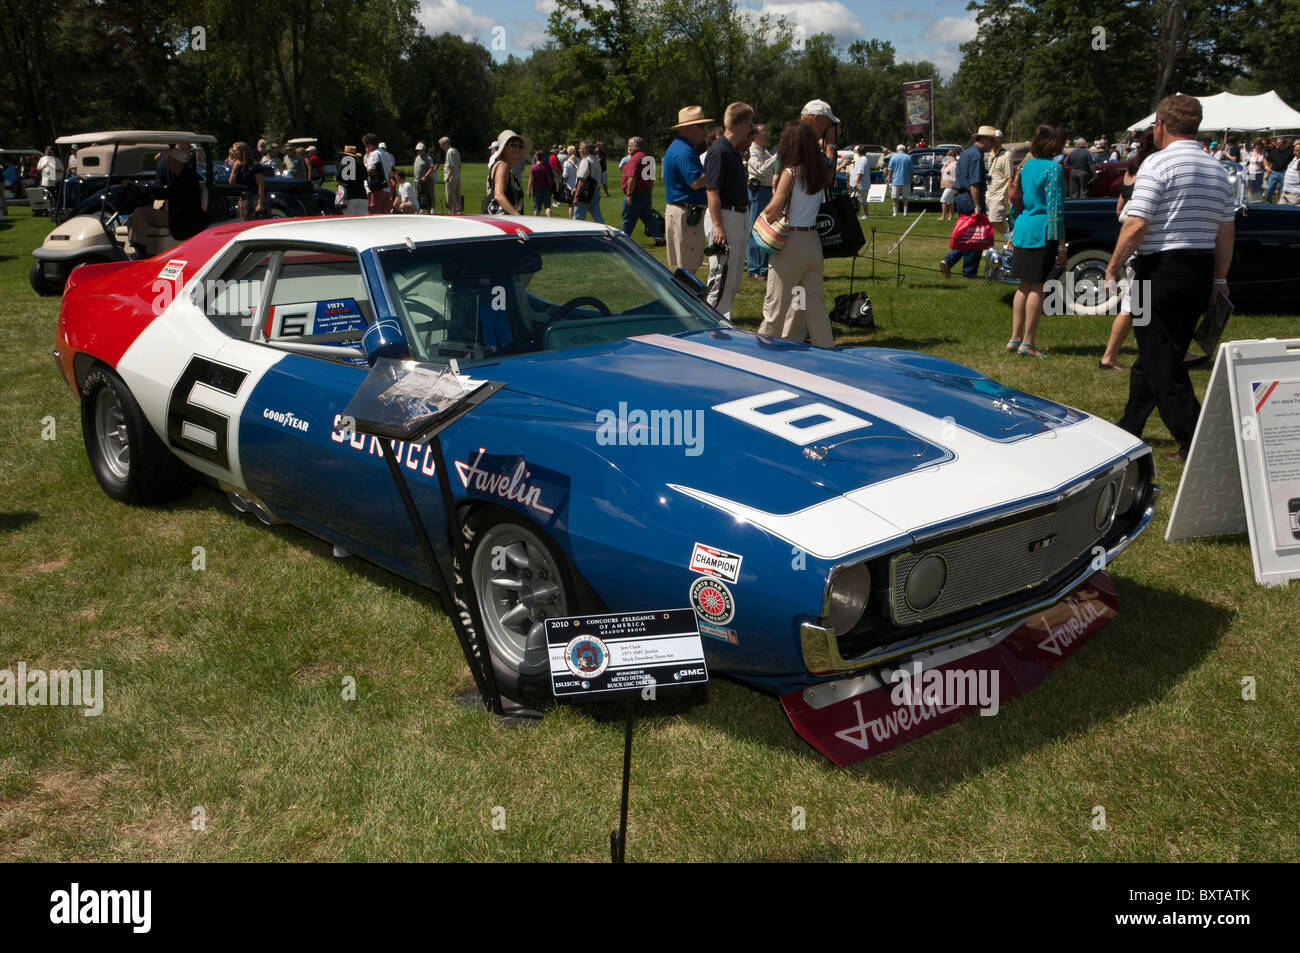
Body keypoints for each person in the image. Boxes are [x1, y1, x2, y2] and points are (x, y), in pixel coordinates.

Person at [1107, 94, 1235, 464]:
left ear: (1160, 126)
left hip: (1157, 272)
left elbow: (1137, 222)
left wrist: (1113, 267)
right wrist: (1219, 278)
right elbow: (1225, 233)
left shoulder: (1157, 164)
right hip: (1198, 272)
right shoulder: (1218, 170)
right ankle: (1129, 426)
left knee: (1164, 364)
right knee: (1158, 354)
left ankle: (1196, 440)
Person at [756, 120, 834, 347]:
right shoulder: (820, 174)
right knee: (814, 307)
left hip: (790, 244)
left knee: (776, 305)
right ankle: (826, 350)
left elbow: (773, 210)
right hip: (812, 241)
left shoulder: (790, 173)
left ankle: (761, 352)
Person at [1005, 123, 1067, 358]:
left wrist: (1012, 231)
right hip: (1042, 232)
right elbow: (1056, 210)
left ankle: (1014, 338)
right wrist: (1061, 245)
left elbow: (1014, 201)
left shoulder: (1025, 165)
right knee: (1038, 288)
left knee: (1023, 286)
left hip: (1022, 228)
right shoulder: (1054, 169)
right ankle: (1028, 343)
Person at [1100, 126, 1156, 371]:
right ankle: (1109, 357)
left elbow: (1119, 208)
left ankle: (1118, 356)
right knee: (1133, 304)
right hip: (1142, 242)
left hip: (1131, 238)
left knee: (1139, 304)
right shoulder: (1152, 168)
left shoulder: (1132, 167)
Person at [703, 102, 754, 319]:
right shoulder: (719, 151)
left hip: (737, 216)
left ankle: (724, 319)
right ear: (741, 124)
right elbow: (712, 191)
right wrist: (718, 227)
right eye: (750, 123)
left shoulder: (732, 151)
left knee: (732, 275)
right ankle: (710, 322)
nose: (751, 128)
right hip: (725, 216)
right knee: (721, 275)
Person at [126, 146, 206, 258]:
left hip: (181, 217)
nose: (167, 162)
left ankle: (141, 251)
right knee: (132, 217)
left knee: (140, 212)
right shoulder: (180, 175)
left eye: (170, 159)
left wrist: (147, 190)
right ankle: (136, 246)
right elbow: (167, 191)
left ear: (177, 162)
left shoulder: (187, 177)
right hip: (176, 213)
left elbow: (168, 193)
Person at [939, 126, 997, 278]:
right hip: (971, 199)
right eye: (991, 140)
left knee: (967, 235)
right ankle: (968, 273)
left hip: (961, 198)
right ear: (983, 139)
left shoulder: (965, 153)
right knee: (976, 237)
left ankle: (950, 261)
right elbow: (975, 184)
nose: (993, 144)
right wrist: (978, 206)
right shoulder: (977, 156)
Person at [663, 106, 712, 274]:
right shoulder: (684, 150)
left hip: (683, 212)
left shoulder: (680, 147)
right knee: (688, 271)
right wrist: (716, 173)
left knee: (686, 268)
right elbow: (696, 182)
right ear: (690, 127)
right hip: (686, 214)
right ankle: (682, 300)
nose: (704, 131)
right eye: (701, 126)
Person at [746, 122, 778, 279]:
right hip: (758, 191)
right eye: (763, 132)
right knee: (754, 228)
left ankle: (764, 267)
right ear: (755, 135)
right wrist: (777, 156)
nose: (767, 135)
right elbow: (759, 170)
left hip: (767, 191)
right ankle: (754, 268)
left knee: (765, 228)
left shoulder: (764, 151)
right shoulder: (752, 152)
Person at [620, 137, 663, 243]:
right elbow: (651, 178)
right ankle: (659, 237)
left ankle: (624, 240)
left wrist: (629, 194)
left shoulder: (634, 159)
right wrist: (650, 191)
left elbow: (632, 178)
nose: (628, 147)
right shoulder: (649, 159)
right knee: (648, 217)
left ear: (636, 146)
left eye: (629, 145)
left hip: (635, 194)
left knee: (628, 218)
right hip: (646, 193)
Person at [487, 130, 528, 215]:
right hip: (504, 223)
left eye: (520, 146)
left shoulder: (507, 169)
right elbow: (498, 195)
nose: (517, 148)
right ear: (504, 148)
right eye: (513, 145)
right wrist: (518, 216)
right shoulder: (503, 166)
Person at [228, 141, 267, 220]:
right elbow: (231, 184)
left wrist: (260, 203)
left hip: (253, 198)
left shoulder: (255, 166)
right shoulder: (238, 166)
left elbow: (261, 186)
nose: (233, 153)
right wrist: (234, 169)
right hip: (242, 199)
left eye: (235, 151)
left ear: (242, 152)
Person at [571, 140, 604, 222]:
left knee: (577, 219)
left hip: (584, 195)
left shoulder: (585, 161)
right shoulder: (596, 161)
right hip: (595, 193)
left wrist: (576, 196)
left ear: (587, 150)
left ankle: (576, 234)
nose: (579, 150)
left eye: (581, 148)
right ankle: (604, 232)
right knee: (598, 217)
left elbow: (581, 180)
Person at [799, 99, 839, 166]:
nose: (829, 126)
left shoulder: (793, 137)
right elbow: (827, 174)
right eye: (828, 122)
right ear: (817, 118)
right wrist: (831, 145)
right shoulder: (806, 145)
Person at [986, 133, 1011, 238]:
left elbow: (1010, 176)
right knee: (988, 221)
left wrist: (1010, 196)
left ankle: (1012, 241)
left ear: (1001, 140)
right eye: (992, 139)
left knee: (994, 221)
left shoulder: (1006, 155)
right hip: (989, 192)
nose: (994, 142)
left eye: (996, 139)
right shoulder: (990, 154)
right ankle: (988, 245)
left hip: (1000, 194)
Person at [362, 133, 393, 214]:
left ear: (370, 145)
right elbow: (389, 173)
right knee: (385, 214)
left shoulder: (374, 154)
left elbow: (370, 171)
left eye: (366, 145)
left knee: (375, 215)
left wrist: (364, 164)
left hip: (376, 189)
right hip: (386, 188)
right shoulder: (386, 154)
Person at [337, 145, 367, 215]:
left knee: (351, 222)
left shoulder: (343, 165)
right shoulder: (361, 166)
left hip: (348, 197)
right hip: (362, 196)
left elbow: (337, 178)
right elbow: (365, 177)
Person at [886, 144, 913, 216]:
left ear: (897, 150)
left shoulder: (893, 158)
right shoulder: (908, 157)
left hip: (896, 180)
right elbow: (911, 170)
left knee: (895, 197)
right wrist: (911, 179)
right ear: (904, 149)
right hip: (906, 180)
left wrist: (889, 179)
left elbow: (890, 170)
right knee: (905, 198)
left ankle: (895, 212)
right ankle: (905, 213)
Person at [1264, 137, 1290, 203]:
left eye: (1278, 143)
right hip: (1273, 173)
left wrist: (1288, 169)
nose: (1276, 144)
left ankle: (1281, 205)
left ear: (1284, 143)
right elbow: (1266, 159)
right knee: (1269, 189)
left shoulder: (1290, 151)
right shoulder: (1274, 151)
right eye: (1276, 143)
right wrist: (1267, 167)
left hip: (1284, 173)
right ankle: (1268, 205)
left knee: (1282, 191)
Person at [440, 136, 461, 213]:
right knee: (457, 197)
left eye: (442, 145)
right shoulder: (455, 150)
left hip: (451, 179)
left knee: (450, 199)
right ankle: (459, 212)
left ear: (446, 144)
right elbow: (459, 165)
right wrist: (458, 174)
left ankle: (452, 213)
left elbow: (452, 166)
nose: (441, 147)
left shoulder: (449, 152)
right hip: (457, 178)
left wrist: (448, 178)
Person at [849, 145, 871, 218]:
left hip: (861, 184)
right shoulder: (863, 159)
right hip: (860, 184)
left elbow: (860, 172)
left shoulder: (863, 160)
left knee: (862, 200)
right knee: (856, 199)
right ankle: (856, 213)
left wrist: (856, 182)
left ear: (858, 152)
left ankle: (866, 214)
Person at [529, 149, 552, 215]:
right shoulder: (546, 167)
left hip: (536, 189)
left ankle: (536, 222)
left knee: (537, 208)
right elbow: (549, 179)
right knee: (548, 207)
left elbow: (531, 180)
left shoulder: (533, 168)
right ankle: (550, 219)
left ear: (536, 157)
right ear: (543, 157)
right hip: (546, 188)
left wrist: (528, 190)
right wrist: (551, 187)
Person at [413, 142, 435, 212]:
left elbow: (431, 168)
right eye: (417, 150)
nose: (418, 151)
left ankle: (432, 208)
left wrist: (425, 176)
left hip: (427, 180)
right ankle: (420, 208)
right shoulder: (417, 158)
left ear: (423, 149)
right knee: (418, 195)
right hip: (417, 180)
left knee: (430, 194)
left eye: (419, 150)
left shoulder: (428, 158)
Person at [938, 148, 958, 220]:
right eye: (950, 154)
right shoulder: (945, 163)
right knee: (950, 201)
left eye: (953, 154)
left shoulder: (955, 163)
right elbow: (942, 171)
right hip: (946, 184)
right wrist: (945, 165)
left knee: (943, 200)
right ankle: (951, 217)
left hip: (952, 184)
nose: (951, 155)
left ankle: (943, 216)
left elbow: (953, 172)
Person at [1279, 139, 1300, 205]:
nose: (1294, 152)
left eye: (1296, 151)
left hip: (1295, 194)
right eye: (1294, 150)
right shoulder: (1295, 158)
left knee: (1292, 214)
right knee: (1279, 210)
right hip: (1286, 191)